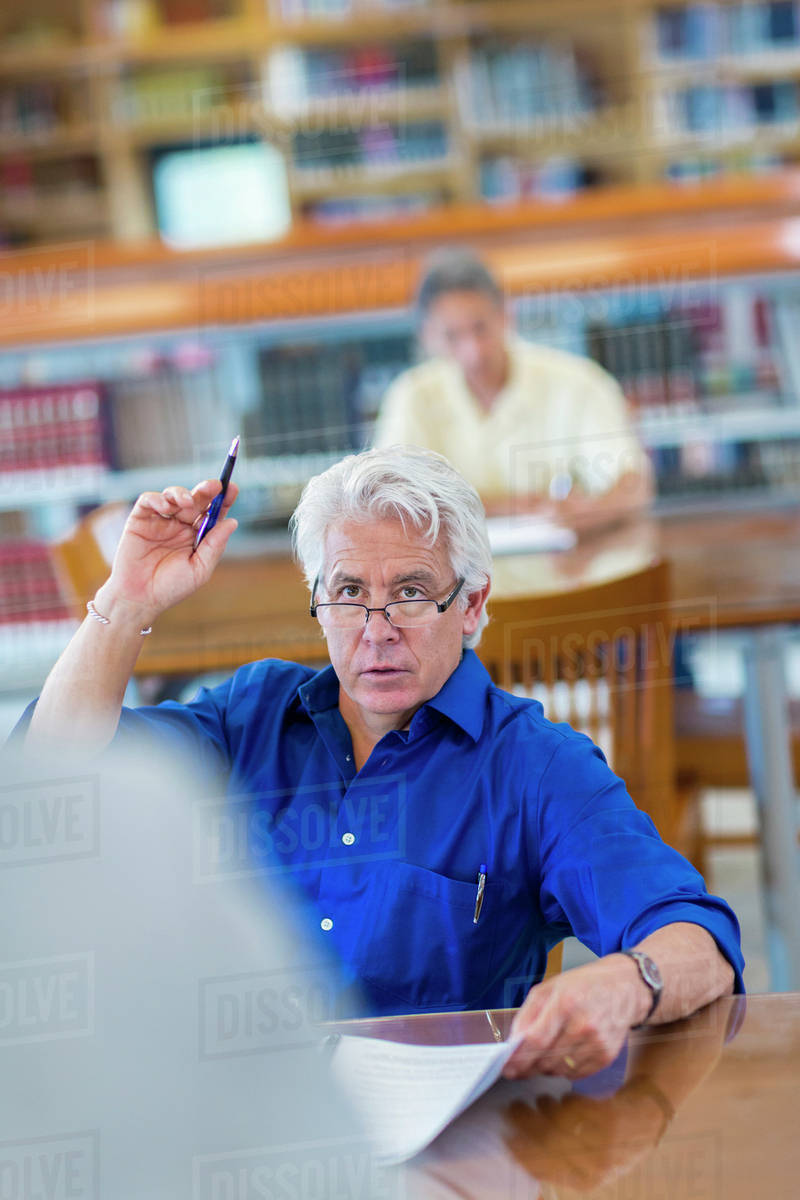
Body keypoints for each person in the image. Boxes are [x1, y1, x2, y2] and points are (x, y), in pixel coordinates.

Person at [17, 446, 742, 1082]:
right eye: (349, 593)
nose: (377, 631)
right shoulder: (254, 717)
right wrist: (127, 597)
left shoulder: (533, 767)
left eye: (412, 593)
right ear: (318, 603)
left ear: (473, 605)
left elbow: (695, 938)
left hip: (437, 1151)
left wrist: (624, 982)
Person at [373, 248, 653, 530]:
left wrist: (586, 515)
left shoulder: (578, 383)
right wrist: (514, 508)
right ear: (427, 336)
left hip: (567, 566)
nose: (474, 351)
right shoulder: (411, 397)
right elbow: (392, 500)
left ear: (507, 314)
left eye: (481, 327)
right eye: (452, 335)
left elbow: (633, 483)